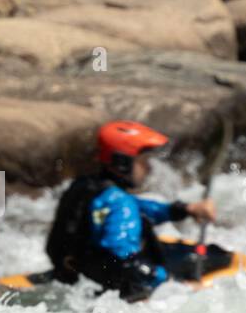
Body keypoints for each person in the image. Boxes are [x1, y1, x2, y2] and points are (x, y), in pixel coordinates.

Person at [45, 120, 223, 300]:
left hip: (73, 274)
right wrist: (175, 285)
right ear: (122, 162)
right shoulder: (120, 203)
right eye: (143, 162)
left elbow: (138, 206)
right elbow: (125, 261)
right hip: (113, 292)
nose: (149, 168)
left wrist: (185, 209)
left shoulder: (86, 186)